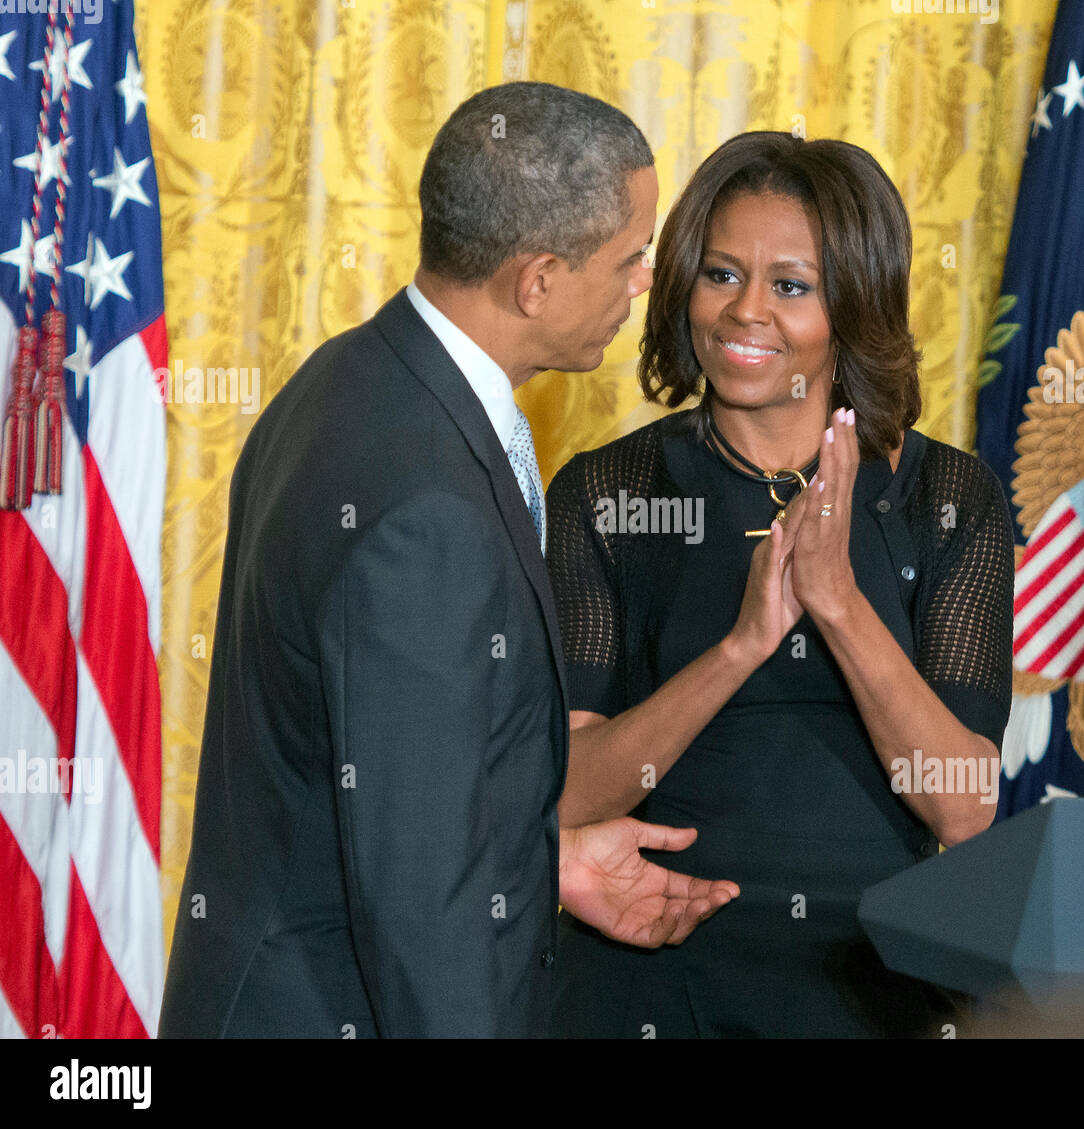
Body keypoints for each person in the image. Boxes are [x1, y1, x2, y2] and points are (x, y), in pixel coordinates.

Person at [159, 82, 739, 1039]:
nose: (645, 284)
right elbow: (418, 899)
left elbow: (390, 785)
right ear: (538, 279)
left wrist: (541, 864)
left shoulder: (345, 377)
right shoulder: (426, 512)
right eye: (629, 258)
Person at [545, 131, 1014, 1038]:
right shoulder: (608, 494)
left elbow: (964, 805)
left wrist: (835, 601)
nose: (743, 312)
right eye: (720, 275)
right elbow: (569, 797)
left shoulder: (949, 497)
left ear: (855, 304)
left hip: (880, 983)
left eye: (791, 285)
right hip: (652, 966)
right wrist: (740, 646)